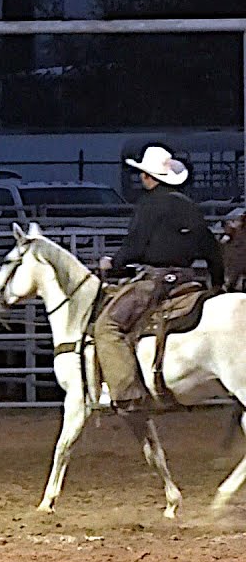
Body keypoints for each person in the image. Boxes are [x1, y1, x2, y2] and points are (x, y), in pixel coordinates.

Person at [95, 144, 224, 413]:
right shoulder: (191, 207)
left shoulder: (149, 205)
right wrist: (218, 285)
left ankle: (126, 393)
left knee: (107, 327)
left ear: (148, 177)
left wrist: (112, 263)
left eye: (142, 173)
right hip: (189, 280)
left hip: (155, 281)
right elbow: (212, 250)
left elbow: (135, 246)